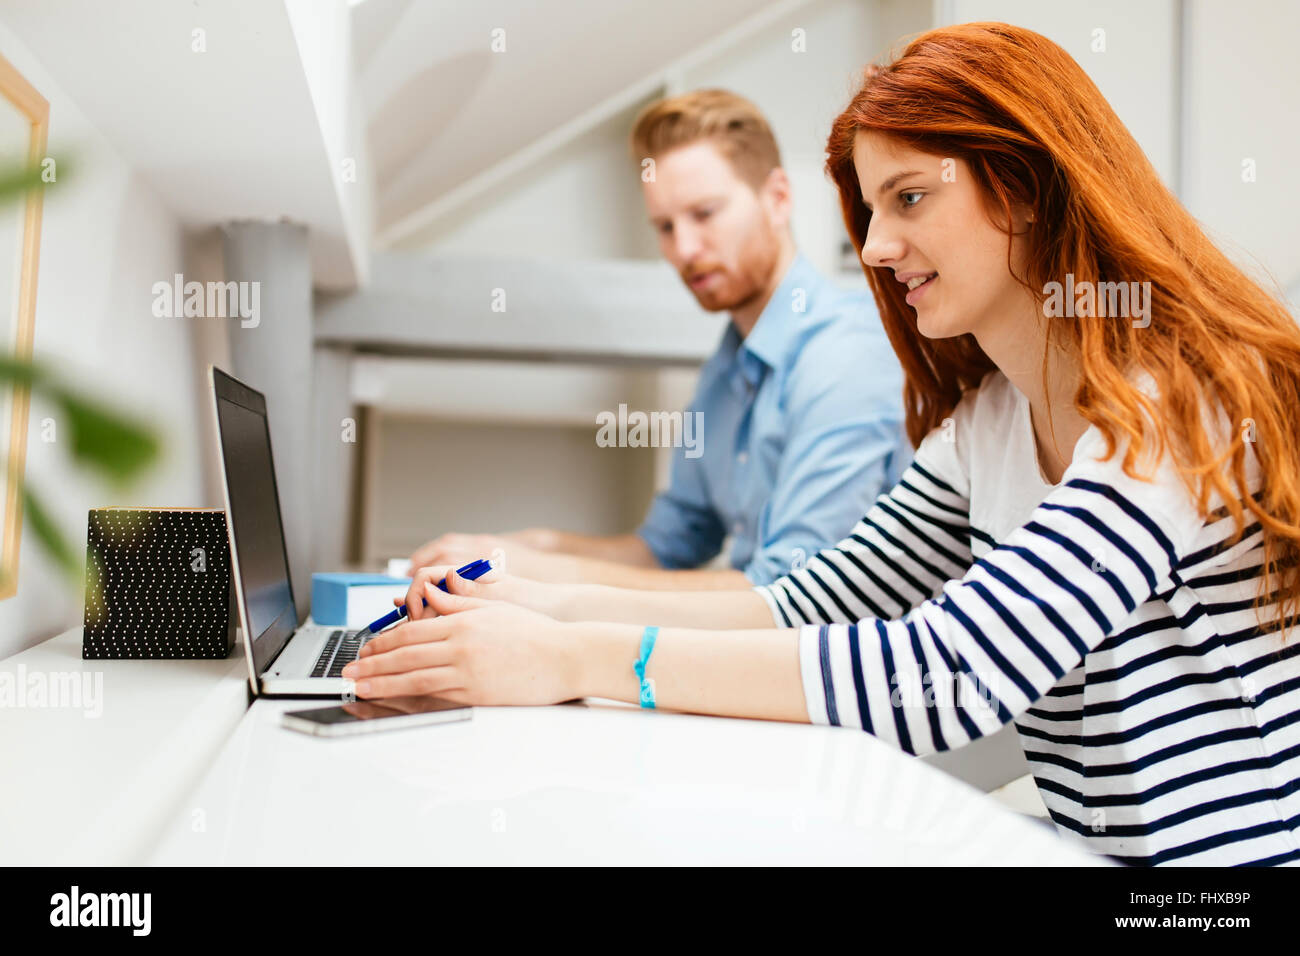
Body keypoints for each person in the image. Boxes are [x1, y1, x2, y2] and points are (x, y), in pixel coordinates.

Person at [345, 23, 1300, 866]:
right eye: (873, 210)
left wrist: (573, 660)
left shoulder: (1176, 406)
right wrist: (536, 604)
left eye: (911, 199)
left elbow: (952, 673)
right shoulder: (991, 426)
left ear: (1026, 187)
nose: (877, 247)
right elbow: (812, 601)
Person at [407, 89, 909, 590]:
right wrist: (529, 549)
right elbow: (666, 548)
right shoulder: (725, 370)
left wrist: (537, 575)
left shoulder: (848, 352)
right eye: (665, 227)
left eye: (705, 214)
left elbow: (788, 592)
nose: (684, 249)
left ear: (777, 198)